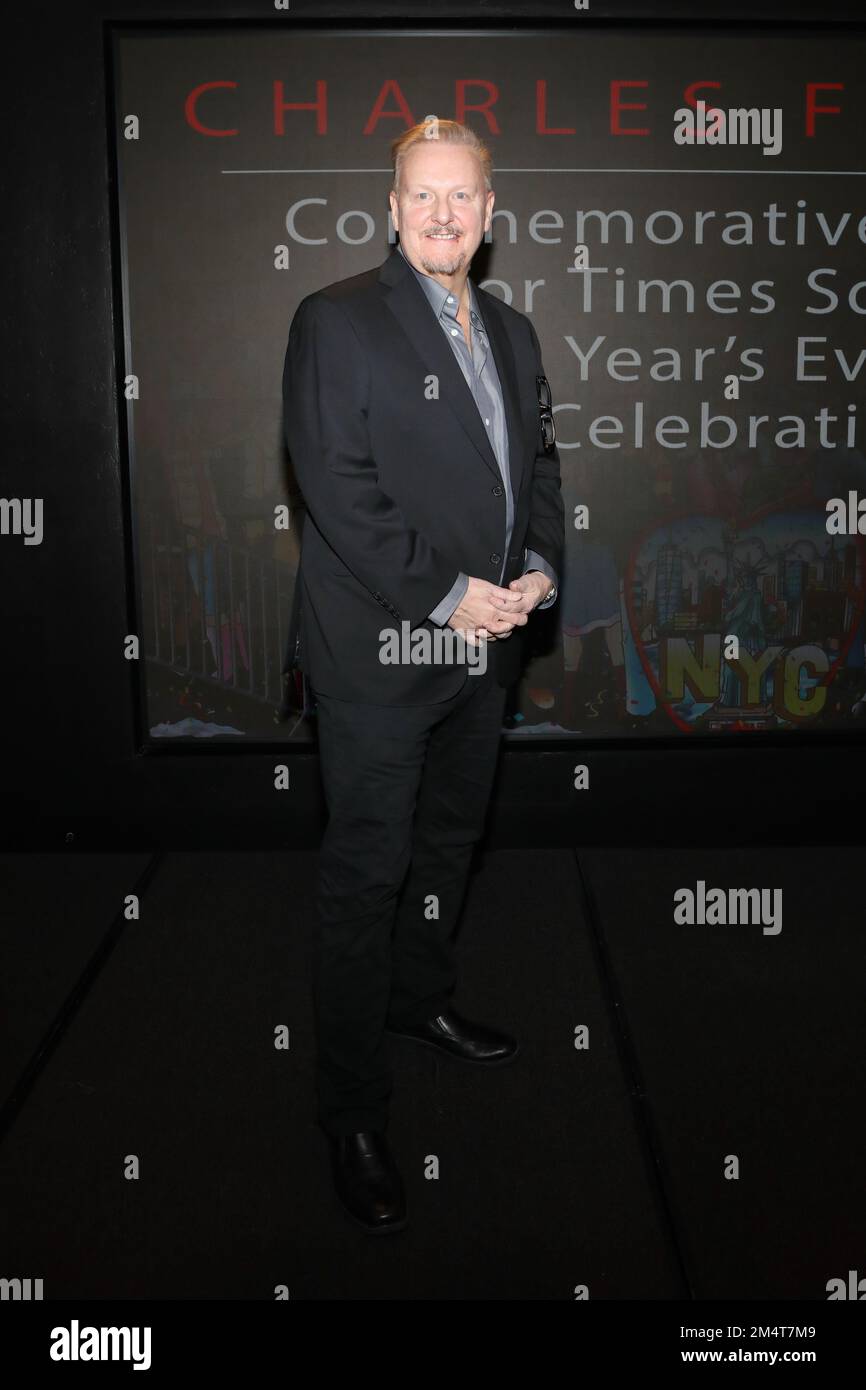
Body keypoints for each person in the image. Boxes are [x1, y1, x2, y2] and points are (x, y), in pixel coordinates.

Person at [282, 117, 563, 1234]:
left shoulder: (515, 329)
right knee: (365, 878)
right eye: (420, 197)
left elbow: (537, 465)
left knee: (448, 846)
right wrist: (449, 596)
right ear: (392, 209)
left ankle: (420, 1000)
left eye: (462, 197)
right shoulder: (335, 320)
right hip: (379, 659)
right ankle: (348, 1110)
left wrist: (536, 566)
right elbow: (335, 488)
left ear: (488, 213)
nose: (441, 214)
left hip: (483, 654)